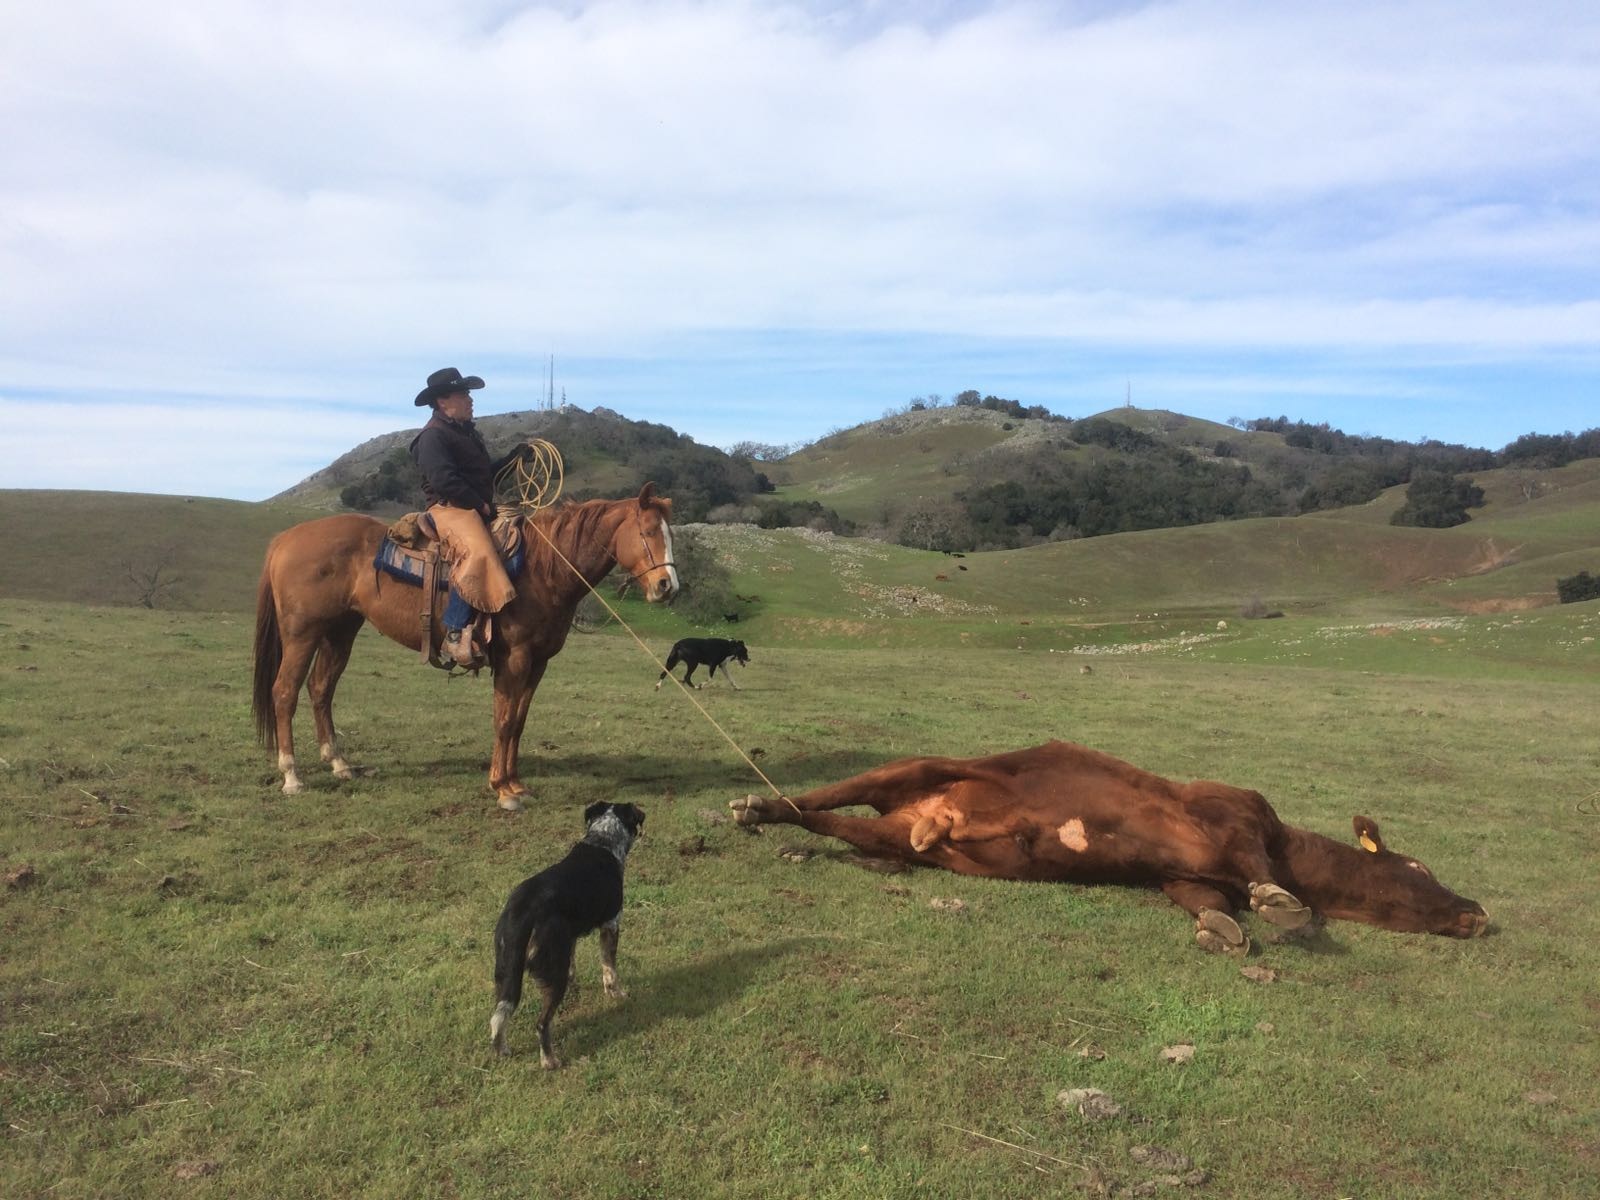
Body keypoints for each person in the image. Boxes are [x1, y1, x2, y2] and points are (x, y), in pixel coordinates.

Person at [408, 367, 530, 666]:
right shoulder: (432, 437)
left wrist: (513, 459)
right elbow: (443, 480)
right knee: (478, 552)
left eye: (468, 394)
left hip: (471, 506)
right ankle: (453, 631)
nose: (470, 400)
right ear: (442, 401)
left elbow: (483, 474)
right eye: (463, 394)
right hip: (449, 508)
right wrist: (481, 504)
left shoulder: (466, 434)